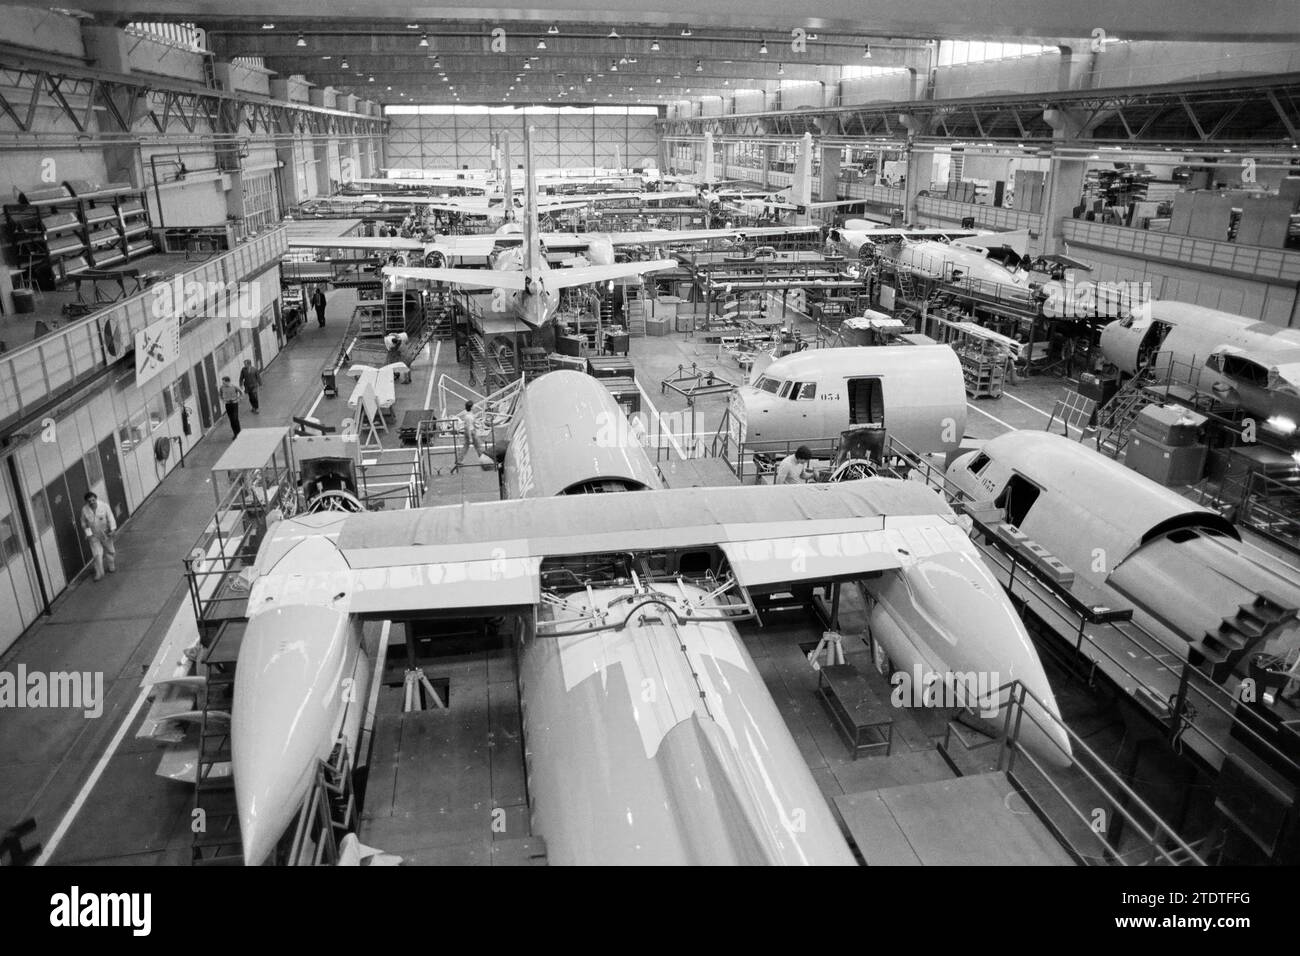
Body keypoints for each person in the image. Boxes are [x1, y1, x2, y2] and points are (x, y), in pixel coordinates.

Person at [80, 491, 117, 581]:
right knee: (97, 554)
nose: (92, 502)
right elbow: (83, 523)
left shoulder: (104, 506)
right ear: (86, 502)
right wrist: (88, 534)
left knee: (110, 550)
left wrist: (112, 529)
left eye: (93, 500)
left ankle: (111, 565)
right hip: (93, 535)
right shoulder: (84, 510)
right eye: (89, 501)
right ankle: (99, 573)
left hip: (105, 532)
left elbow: (110, 517)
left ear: (96, 499)